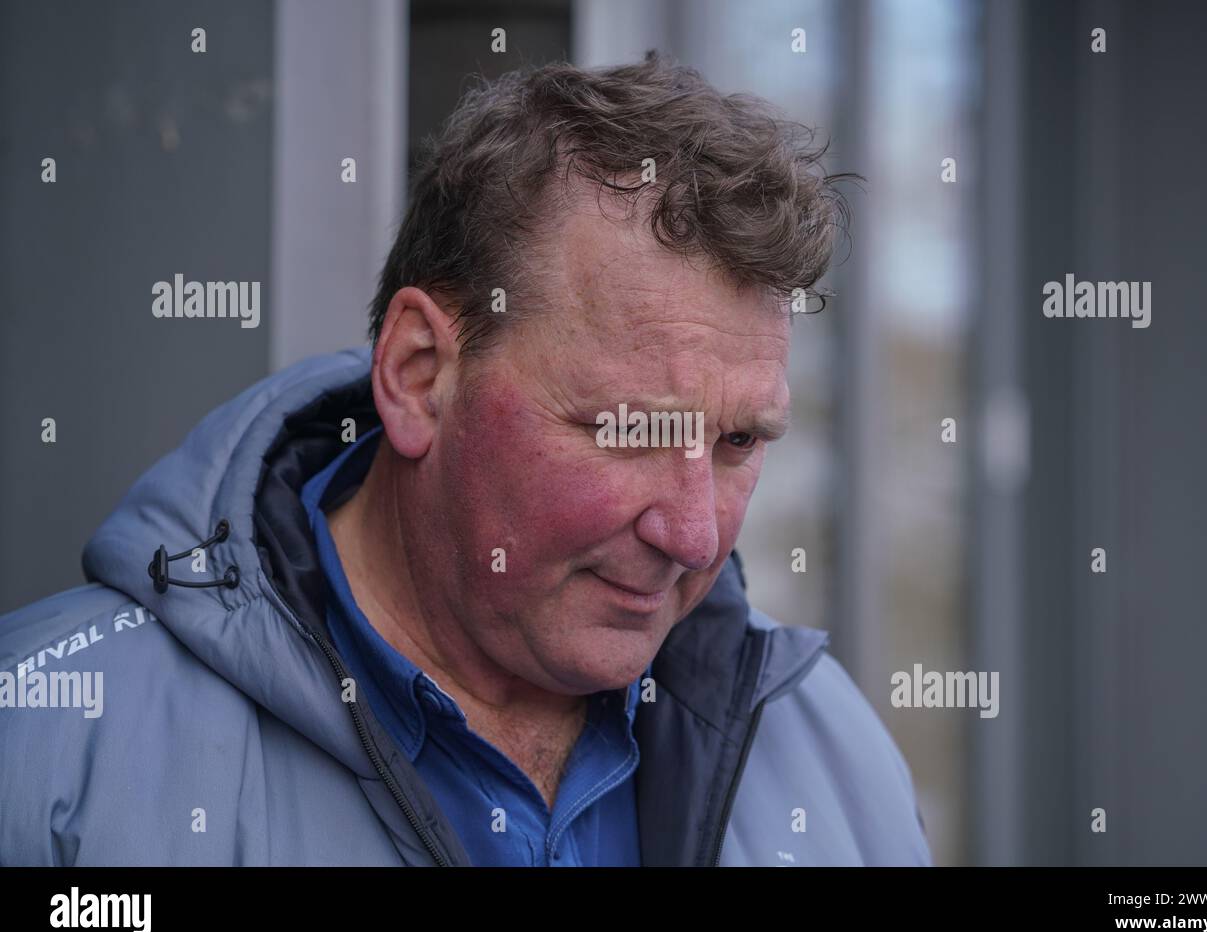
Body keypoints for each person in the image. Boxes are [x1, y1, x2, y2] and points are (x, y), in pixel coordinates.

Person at [0, 52, 931, 866]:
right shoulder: (48, 747)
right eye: (628, 430)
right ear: (417, 373)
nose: (694, 534)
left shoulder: (829, 756)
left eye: (737, 442)